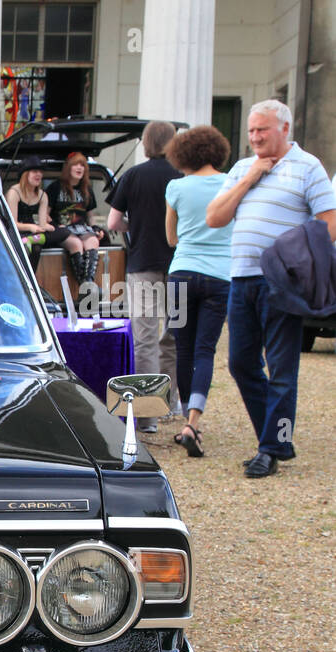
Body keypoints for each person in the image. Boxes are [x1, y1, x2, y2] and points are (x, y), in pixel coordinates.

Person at [206, 99, 336, 478]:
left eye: (262, 130)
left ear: (284, 128)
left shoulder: (307, 167)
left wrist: (291, 256)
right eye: (250, 131)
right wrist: (250, 178)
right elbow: (215, 217)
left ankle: (270, 447)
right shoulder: (243, 168)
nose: (255, 137)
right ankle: (277, 439)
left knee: (281, 366)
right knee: (240, 363)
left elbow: (329, 224)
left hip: (283, 282)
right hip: (241, 277)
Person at [162, 125, 234, 457]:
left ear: (183, 153)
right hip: (220, 276)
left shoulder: (176, 186)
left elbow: (171, 239)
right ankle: (193, 421)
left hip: (181, 274)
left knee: (182, 348)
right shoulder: (231, 183)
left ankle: (185, 422)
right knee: (206, 351)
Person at [107, 120, 183, 430]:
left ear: (146, 143)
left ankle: (148, 415)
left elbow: (113, 222)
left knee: (145, 340)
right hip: (179, 265)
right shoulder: (183, 176)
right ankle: (171, 403)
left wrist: (132, 227)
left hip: (142, 265)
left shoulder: (133, 175)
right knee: (175, 336)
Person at [45, 151, 107, 295]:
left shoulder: (87, 189)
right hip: (62, 229)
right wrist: (54, 225)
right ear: (68, 168)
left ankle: (87, 284)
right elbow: (45, 214)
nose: (80, 168)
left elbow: (91, 216)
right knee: (76, 244)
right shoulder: (55, 188)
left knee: (93, 242)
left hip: (82, 228)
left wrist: (95, 228)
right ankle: (88, 286)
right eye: (76, 165)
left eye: (83, 165)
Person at [5, 155, 51, 270]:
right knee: (33, 247)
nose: (39, 174)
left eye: (40, 171)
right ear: (25, 174)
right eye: (35, 171)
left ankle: (31, 281)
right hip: (16, 232)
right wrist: (31, 227)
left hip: (33, 234)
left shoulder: (43, 195)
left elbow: (42, 224)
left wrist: (52, 227)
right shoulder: (14, 192)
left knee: (62, 233)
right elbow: (12, 224)